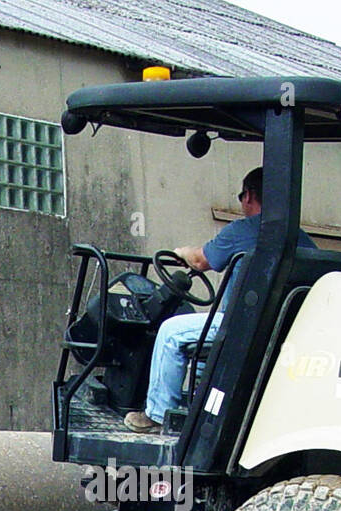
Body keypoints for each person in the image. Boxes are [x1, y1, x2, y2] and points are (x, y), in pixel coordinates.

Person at [124, 166, 316, 432]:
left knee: (170, 332)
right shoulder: (303, 240)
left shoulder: (243, 231)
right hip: (281, 329)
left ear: (248, 196)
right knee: (201, 348)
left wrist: (182, 252)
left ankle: (156, 415)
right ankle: (197, 410)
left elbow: (201, 260)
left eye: (242, 197)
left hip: (240, 327)